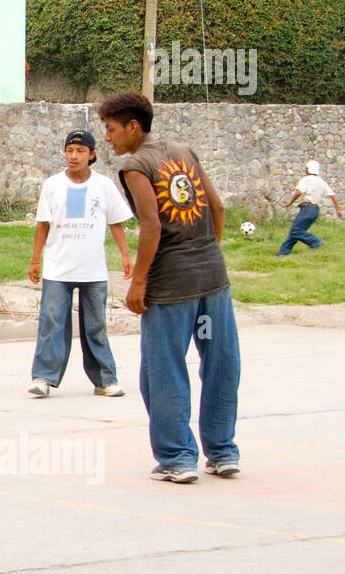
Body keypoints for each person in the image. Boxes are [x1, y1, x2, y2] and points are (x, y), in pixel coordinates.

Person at [99, 92, 241, 485]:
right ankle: (223, 452)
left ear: (132, 127)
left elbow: (151, 226)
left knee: (163, 371)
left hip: (170, 286)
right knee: (220, 364)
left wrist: (139, 281)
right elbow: (218, 207)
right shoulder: (183, 150)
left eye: (110, 130)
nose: (107, 139)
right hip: (213, 279)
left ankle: (178, 457)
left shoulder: (136, 165)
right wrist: (207, 250)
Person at [27, 129, 134, 398]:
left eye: (80, 151)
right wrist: (35, 260)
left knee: (96, 325)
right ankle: (43, 378)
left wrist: (124, 255)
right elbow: (43, 224)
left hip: (93, 270)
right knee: (52, 322)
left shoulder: (104, 185)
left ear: (92, 155)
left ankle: (105, 380)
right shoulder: (52, 185)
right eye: (69, 150)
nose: (73, 156)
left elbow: (116, 222)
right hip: (58, 268)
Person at [278, 160, 342, 255]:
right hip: (315, 210)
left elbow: (299, 192)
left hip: (307, 209)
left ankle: (315, 241)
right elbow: (332, 195)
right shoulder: (322, 182)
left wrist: (291, 202)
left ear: (307, 170)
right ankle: (283, 254)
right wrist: (338, 209)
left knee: (295, 230)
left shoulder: (306, 179)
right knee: (297, 232)